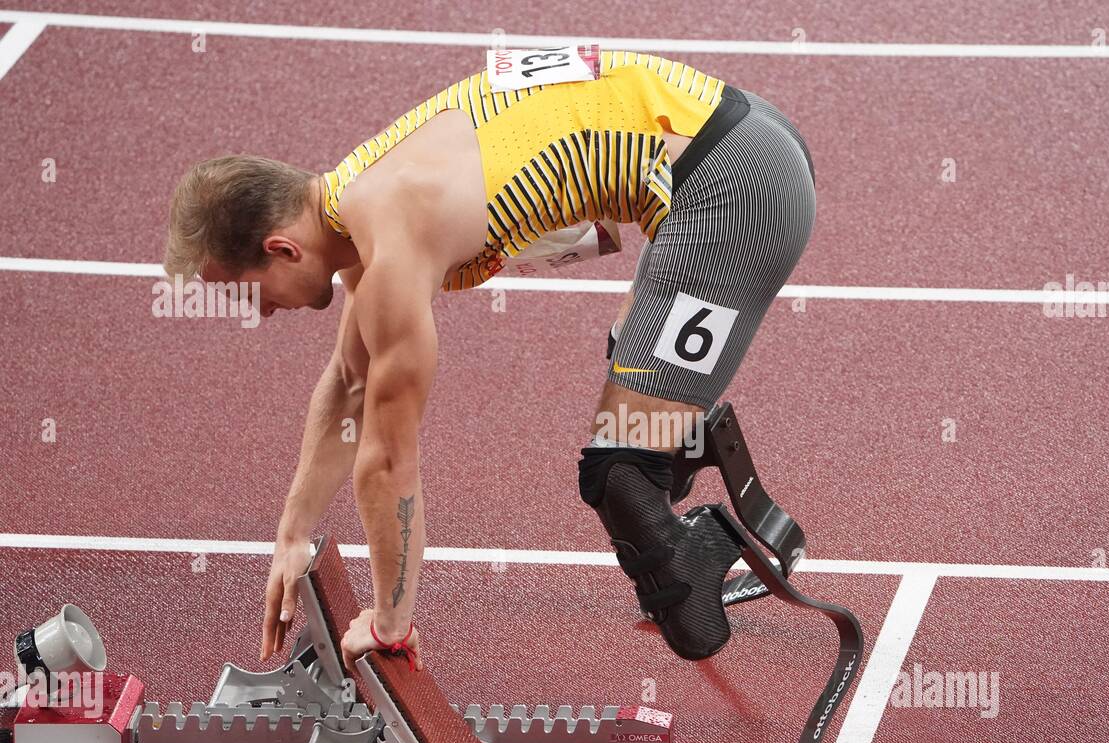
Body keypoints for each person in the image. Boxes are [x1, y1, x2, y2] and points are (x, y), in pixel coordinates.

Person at [161, 49, 817, 672]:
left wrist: (391, 622)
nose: (260, 314)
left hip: (737, 192)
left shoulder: (393, 243)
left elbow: (388, 460)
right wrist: (291, 532)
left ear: (281, 249)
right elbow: (347, 387)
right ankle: (683, 436)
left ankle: (695, 569)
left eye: (245, 293)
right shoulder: (359, 194)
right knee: (634, 371)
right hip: (736, 130)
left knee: (622, 473)